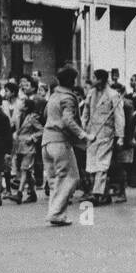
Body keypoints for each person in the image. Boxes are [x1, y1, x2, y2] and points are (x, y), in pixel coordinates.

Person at [42, 66, 88, 226]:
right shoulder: (68, 97)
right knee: (71, 177)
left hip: (46, 141)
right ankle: (56, 213)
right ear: (70, 80)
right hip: (60, 142)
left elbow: (45, 115)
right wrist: (83, 135)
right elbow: (68, 120)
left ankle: (56, 213)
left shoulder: (53, 96)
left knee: (55, 179)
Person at [83, 70, 124, 206]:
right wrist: (83, 130)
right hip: (91, 133)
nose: (92, 80)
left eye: (94, 78)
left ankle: (97, 193)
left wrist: (120, 136)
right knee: (92, 164)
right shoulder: (90, 94)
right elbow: (86, 113)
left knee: (102, 164)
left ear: (101, 79)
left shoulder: (113, 95)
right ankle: (103, 193)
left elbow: (119, 116)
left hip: (106, 133)